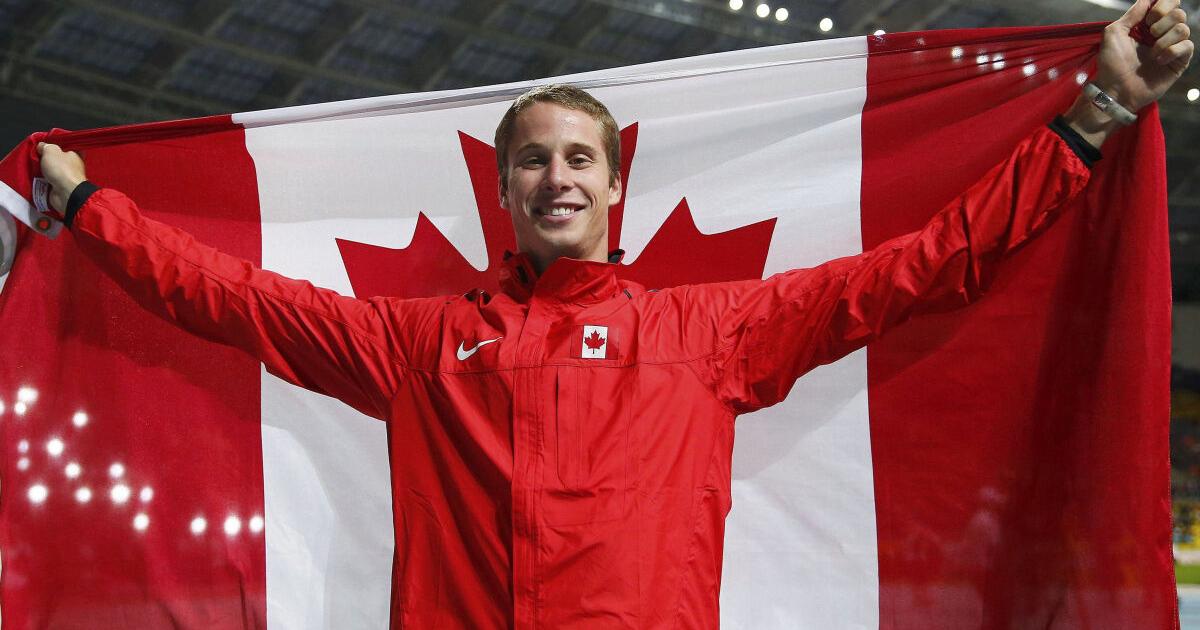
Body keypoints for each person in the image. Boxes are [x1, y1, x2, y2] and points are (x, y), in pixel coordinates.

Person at [32, 1, 1193, 627]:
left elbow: (928, 265)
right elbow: (229, 298)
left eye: (579, 157)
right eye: (533, 161)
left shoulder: (712, 333)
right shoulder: (415, 345)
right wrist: (91, 210)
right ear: (503, 189)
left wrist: (1090, 116)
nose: (558, 178)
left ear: (616, 182)